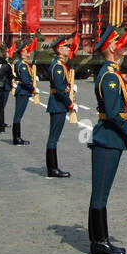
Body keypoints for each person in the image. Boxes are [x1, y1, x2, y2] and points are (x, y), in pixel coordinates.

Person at [88, 25, 127, 254]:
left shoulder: (111, 73)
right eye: (119, 42)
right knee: (100, 194)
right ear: (112, 47)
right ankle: (100, 242)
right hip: (108, 139)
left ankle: (97, 239)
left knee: (100, 193)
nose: (123, 46)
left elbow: (115, 106)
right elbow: (112, 114)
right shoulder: (110, 76)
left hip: (109, 139)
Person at [46, 35, 75, 178]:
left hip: (57, 104)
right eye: (66, 47)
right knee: (53, 137)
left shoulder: (60, 64)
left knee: (54, 137)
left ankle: (53, 167)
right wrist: (69, 103)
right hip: (58, 105)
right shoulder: (58, 66)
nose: (69, 49)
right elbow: (58, 88)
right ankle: (52, 169)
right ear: (60, 49)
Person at [11, 45, 34, 146]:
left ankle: (17, 137)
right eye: (26, 50)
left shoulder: (22, 63)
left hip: (22, 91)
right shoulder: (23, 65)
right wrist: (32, 89)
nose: (28, 52)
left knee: (18, 115)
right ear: (22, 53)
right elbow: (25, 81)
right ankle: (17, 138)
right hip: (23, 91)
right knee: (18, 115)